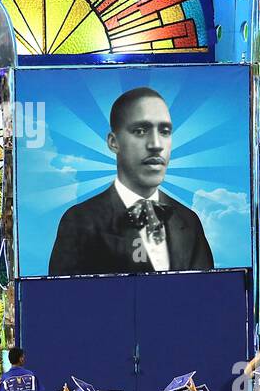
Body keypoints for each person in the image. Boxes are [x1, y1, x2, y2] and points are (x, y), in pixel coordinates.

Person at [48, 87, 213, 275]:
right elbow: (63, 300)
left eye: (165, 131)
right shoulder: (79, 222)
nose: (156, 145)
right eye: (141, 130)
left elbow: (208, 296)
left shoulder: (189, 220)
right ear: (113, 142)